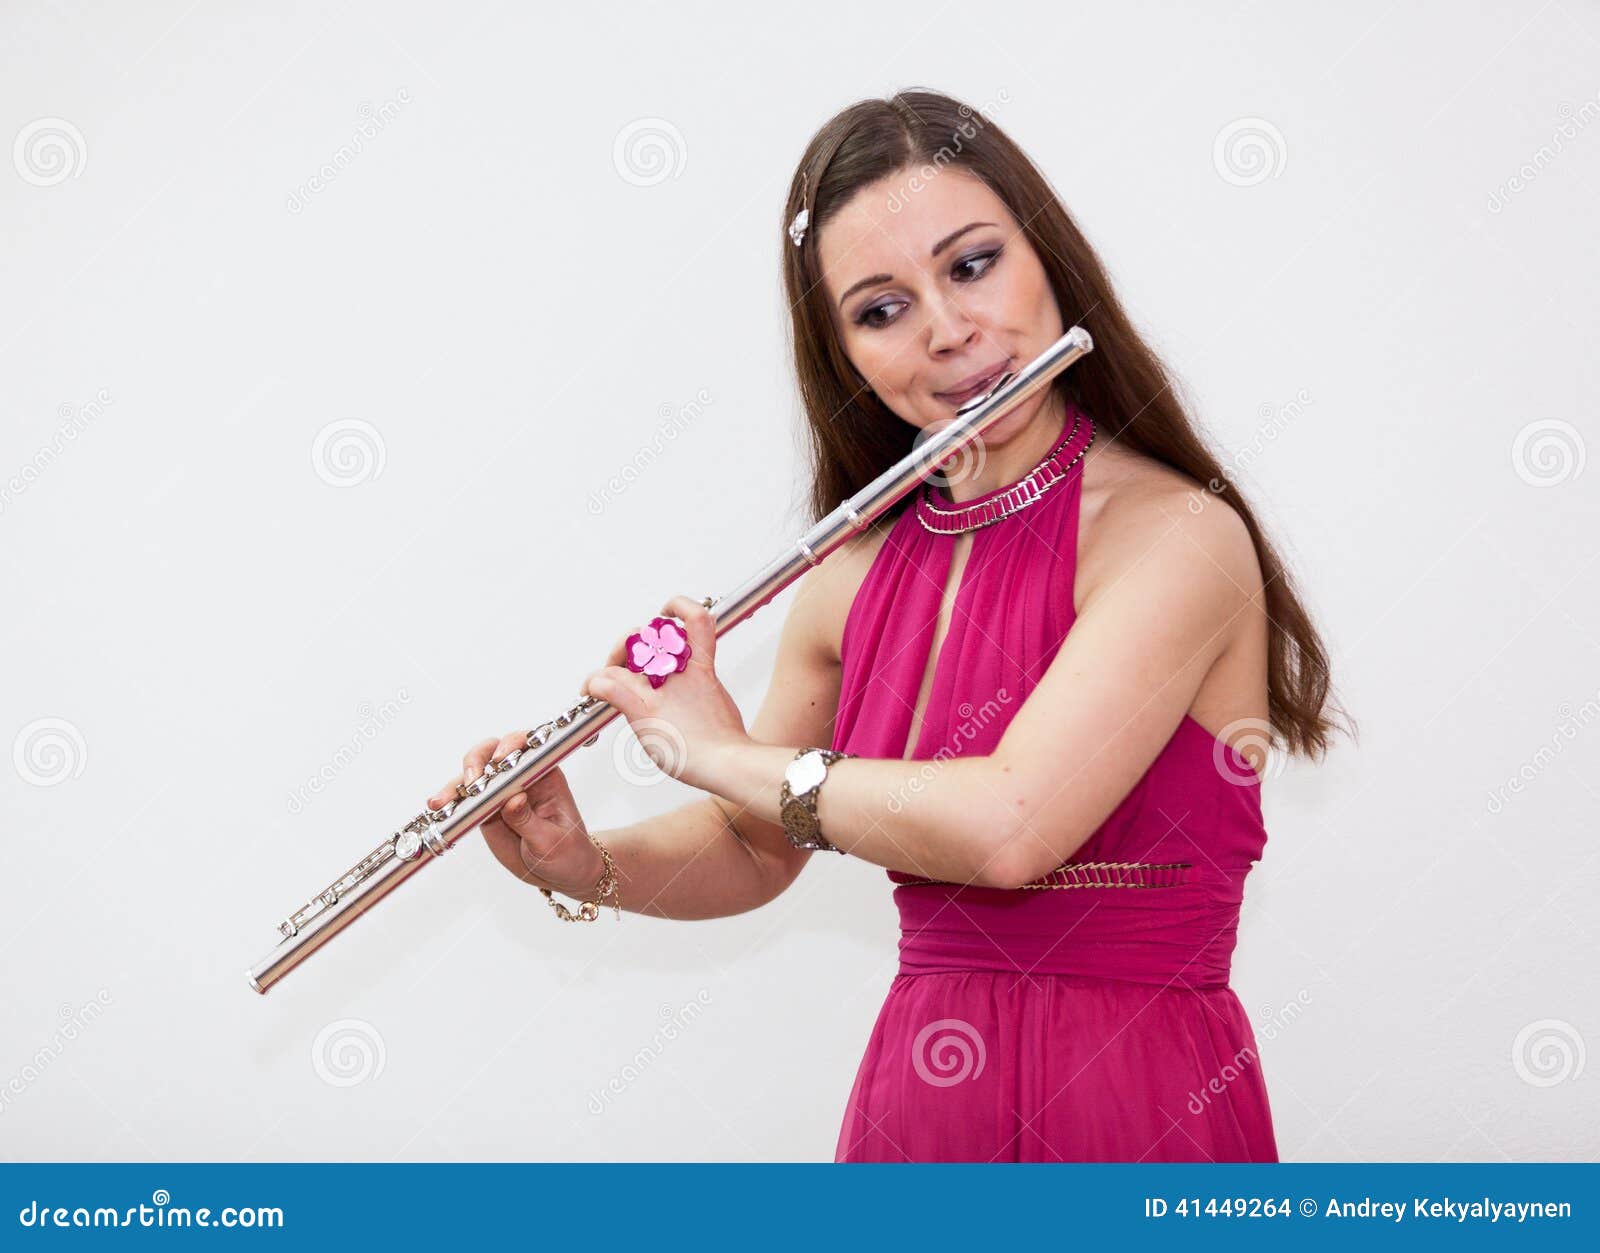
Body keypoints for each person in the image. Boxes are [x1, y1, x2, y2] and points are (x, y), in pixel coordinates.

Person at [427, 88, 1349, 1162]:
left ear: (1046, 257)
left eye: (970, 264)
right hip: (922, 1105)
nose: (950, 331)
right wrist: (581, 861)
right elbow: (756, 847)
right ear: (846, 355)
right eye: (880, 309)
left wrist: (719, 750)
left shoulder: (1176, 536)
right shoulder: (848, 573)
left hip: (1140, 1098)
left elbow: (1010, 827)